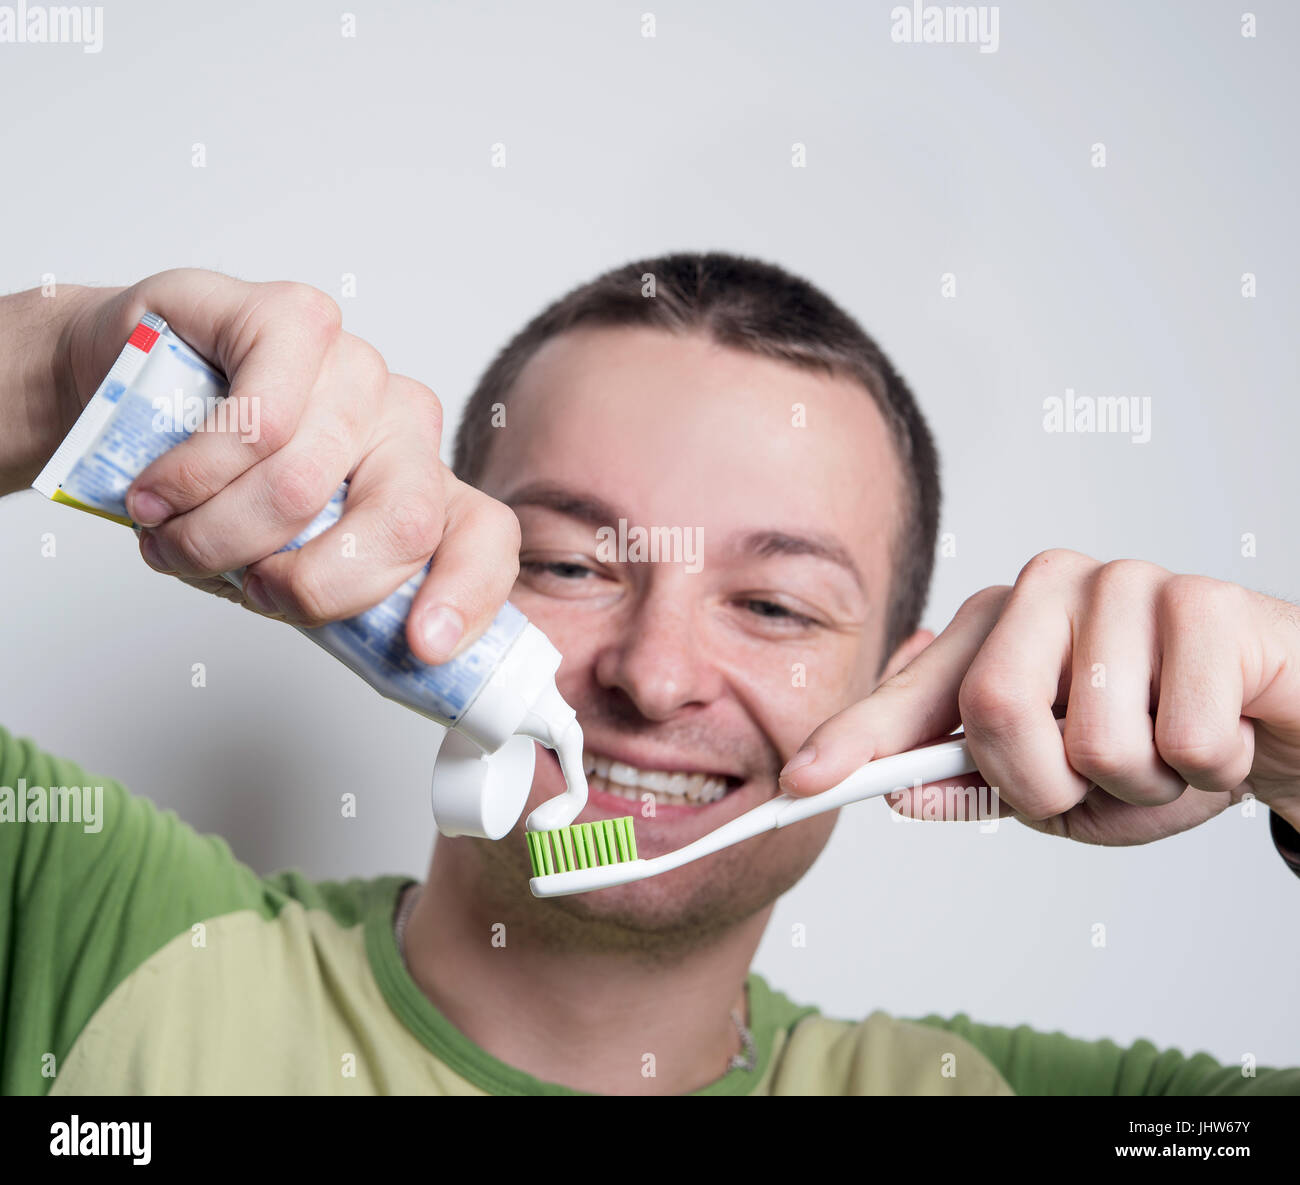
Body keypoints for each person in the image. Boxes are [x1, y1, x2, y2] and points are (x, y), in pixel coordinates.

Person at [1, 256, 1297, 1096]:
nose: (658, 675)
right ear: (442, 555)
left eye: (777, 602)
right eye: (569, 564)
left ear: (907, 693)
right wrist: (57, 372)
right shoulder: (74, 923)